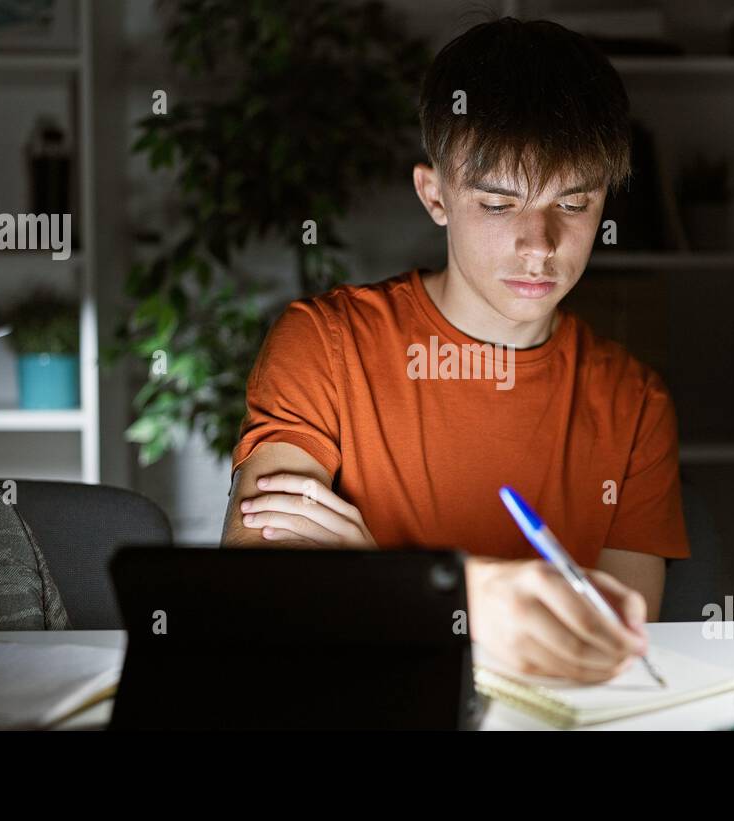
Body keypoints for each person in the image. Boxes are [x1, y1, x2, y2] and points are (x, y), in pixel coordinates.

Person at [221, 16, 690, 683]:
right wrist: (471, 602)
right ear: (434, 195)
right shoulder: (323, 343)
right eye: (499, 205)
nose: (540, 243)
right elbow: (261, 589)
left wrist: (385, 580)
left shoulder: (635, 402)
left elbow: (613, 646)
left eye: (575, 203)